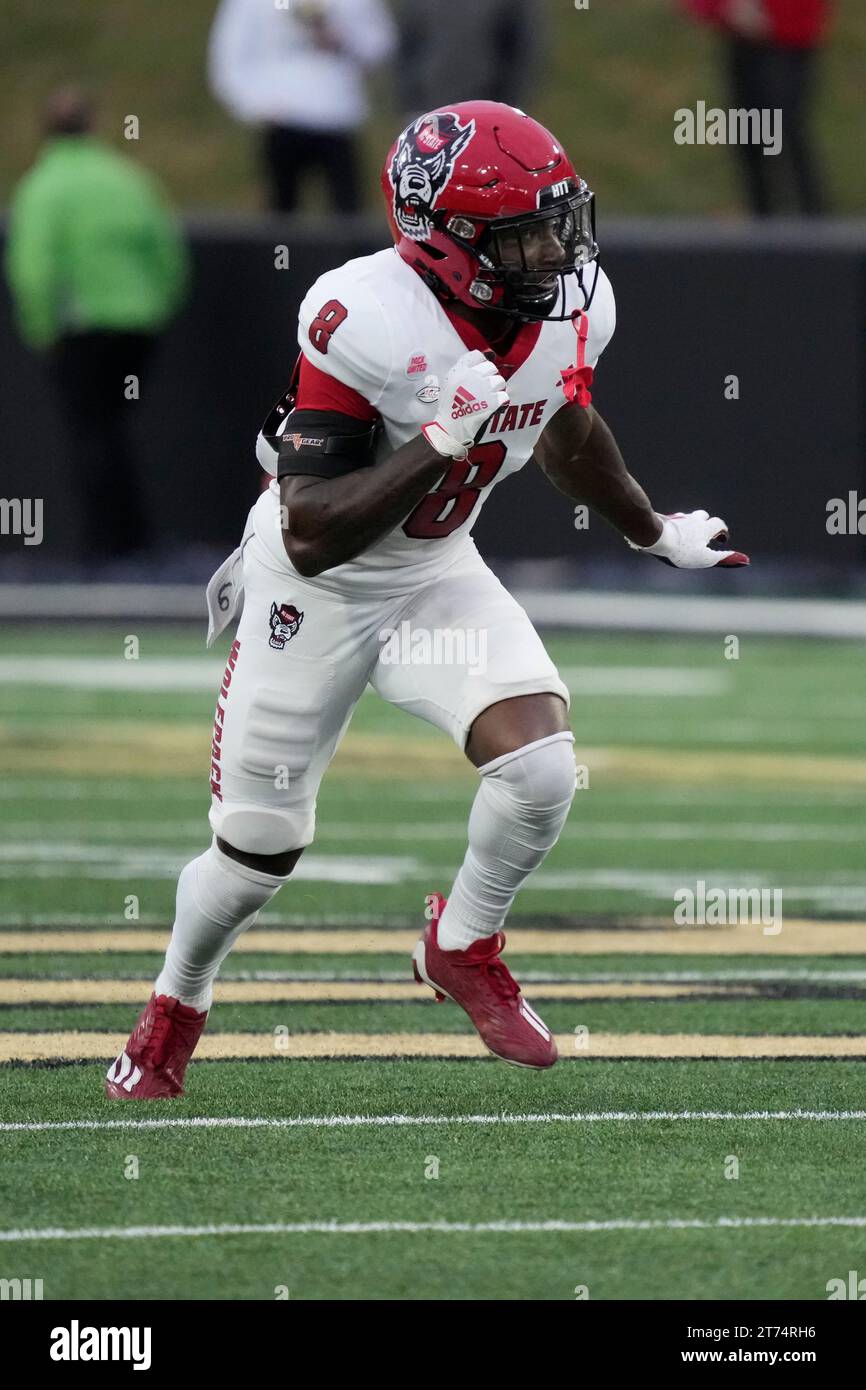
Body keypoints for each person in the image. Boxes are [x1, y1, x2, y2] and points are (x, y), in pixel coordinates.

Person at [106, 101, 748, 1099]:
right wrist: (436, 444)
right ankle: (174, 1005)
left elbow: (566, 429)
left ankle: (461, 943)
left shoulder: (574, 308)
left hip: (432, 570)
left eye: (558, 220)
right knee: (255, 853)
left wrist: (650, 531)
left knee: (538, 769)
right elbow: (312, 528)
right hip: (312, 586)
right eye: (522, 233)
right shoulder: (362, 316)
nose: (553, 250)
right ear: (441, 240)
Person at [4, 87, 188, 562]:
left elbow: (34, 269)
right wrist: (157, 308)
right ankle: (136, 543)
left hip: (81, 328)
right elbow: (167, 253)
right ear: (92, 124)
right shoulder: (127, 178)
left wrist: (43, 330)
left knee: (91, 433)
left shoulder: (43, 186)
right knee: (112, 429)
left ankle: (106, 549)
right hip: (137, 327)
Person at [208, 0, 397, 213]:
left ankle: (348, 248)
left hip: (338, 116)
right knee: (281, 214)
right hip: (281, 118)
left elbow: (380, 43)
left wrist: (340, 38)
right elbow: (230, 53)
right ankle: (281, 248)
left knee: (347, 213)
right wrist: (253, 106)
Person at [680, 0, 834, 214]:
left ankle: (816, 233)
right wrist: (726, 7)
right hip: (745, 41)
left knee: (786, 135)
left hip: (788, 42)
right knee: (749, 139)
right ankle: (763, 233)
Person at [394, 0, 547, 120]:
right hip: (430, 109)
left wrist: (508, 105)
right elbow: (407, 48)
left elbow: (521, 50)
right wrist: (411, 104)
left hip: (488, 110)